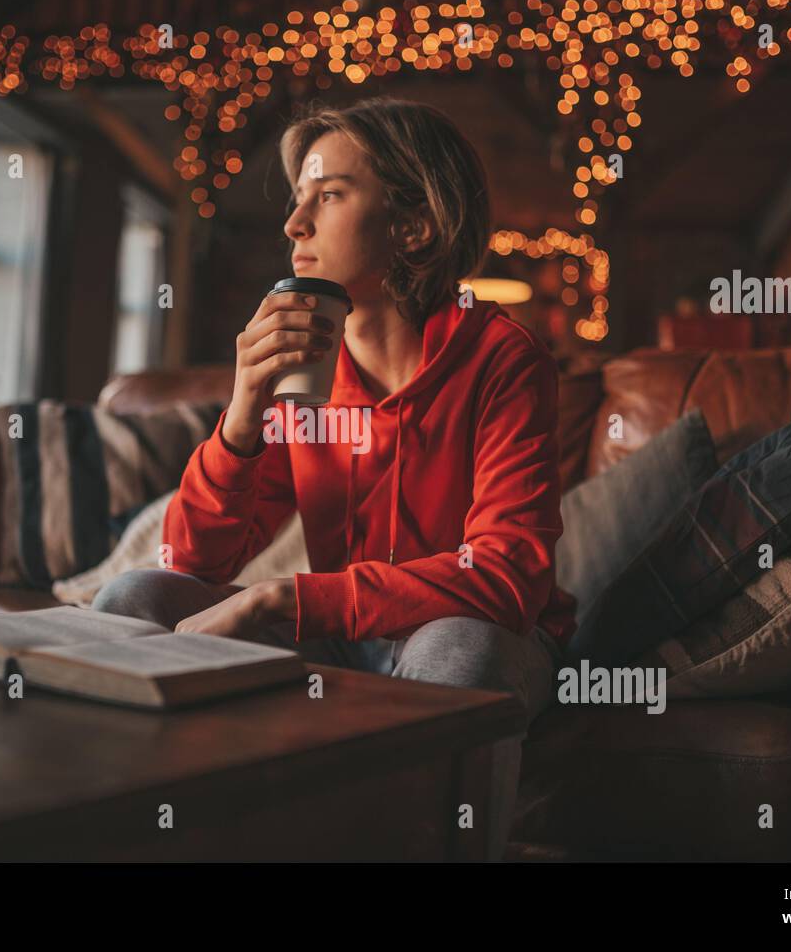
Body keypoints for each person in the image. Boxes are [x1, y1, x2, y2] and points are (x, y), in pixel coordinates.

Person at [95, 97, 576, 860]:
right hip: (343, 645)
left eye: (328, 196)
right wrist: (244, 412)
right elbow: (194, 563)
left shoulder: (501, 359)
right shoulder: (309, 377)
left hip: (474, 637)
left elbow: (506, 576)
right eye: (297, 201)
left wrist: (285, 599)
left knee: (459, 645)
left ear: (413, 226)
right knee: (131, 598)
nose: (294, 225)